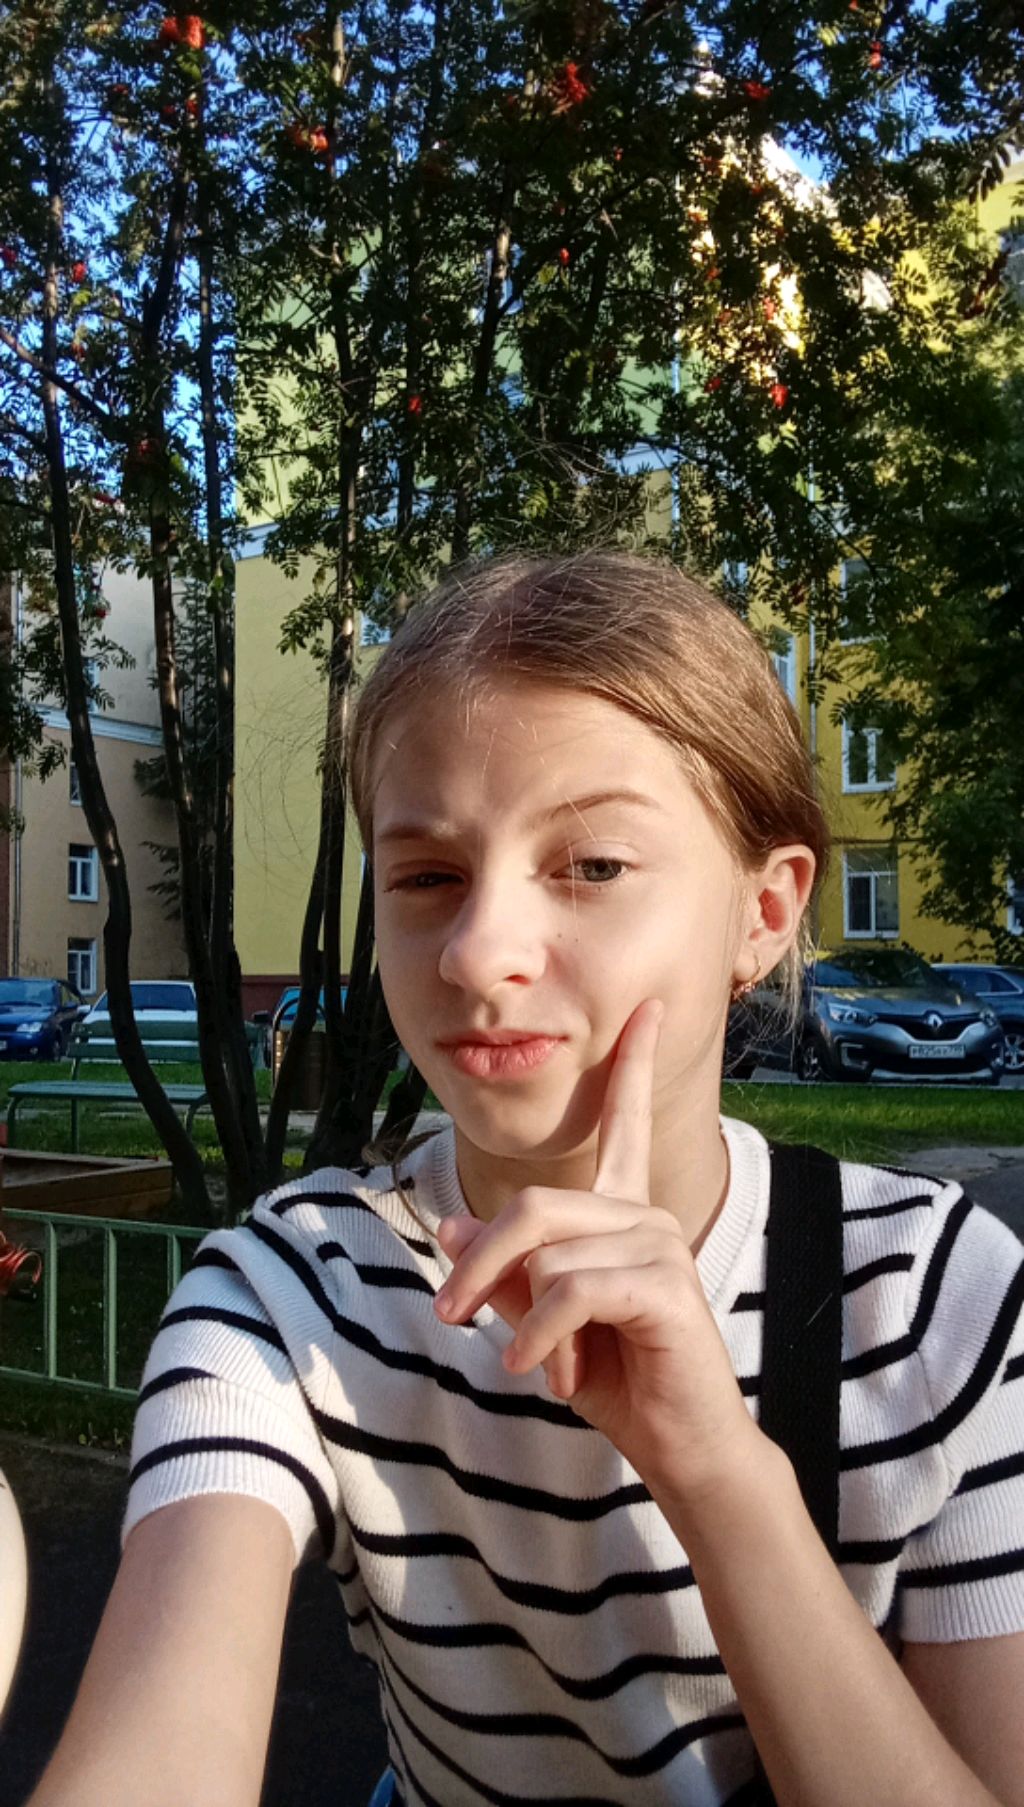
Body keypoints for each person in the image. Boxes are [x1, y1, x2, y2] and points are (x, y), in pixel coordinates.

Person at [29, 552, 1024, 1807]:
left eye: (592, 865)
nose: (477, 950)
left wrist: (716, 1468)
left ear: (764, 913)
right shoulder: (289, 1298)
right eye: (427, 876)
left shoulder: (936, 1302)